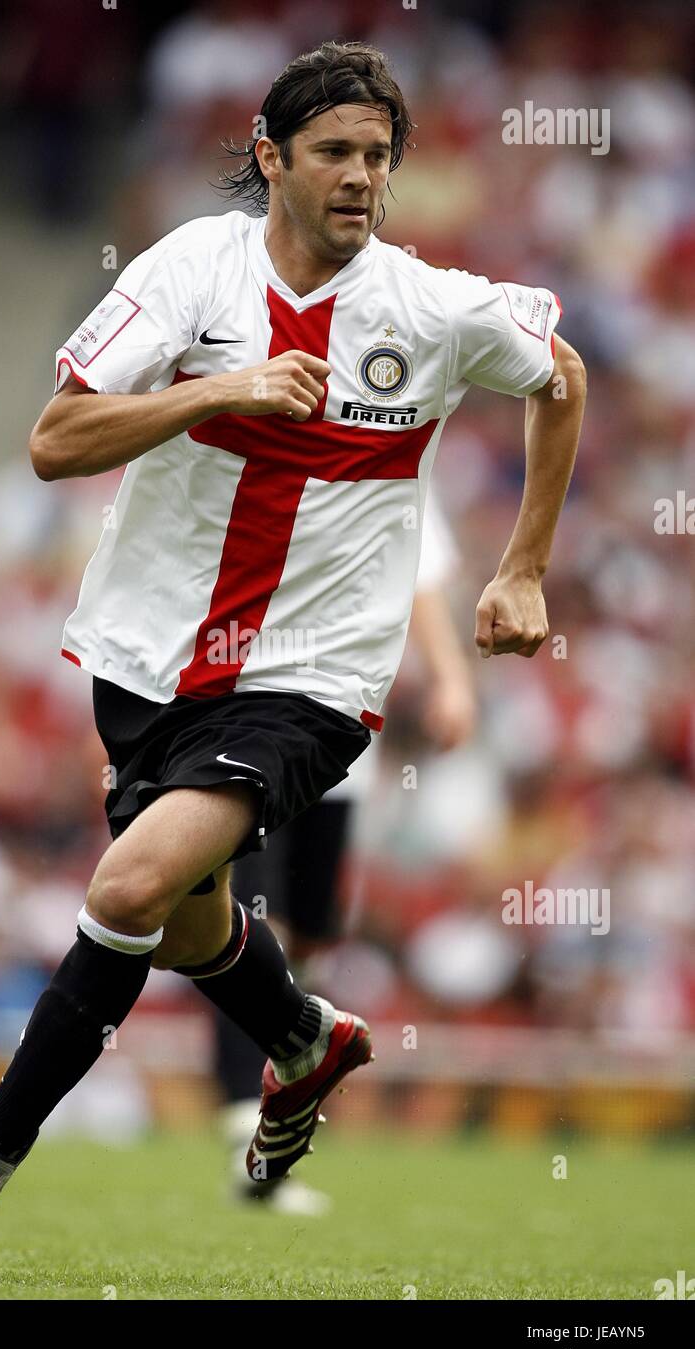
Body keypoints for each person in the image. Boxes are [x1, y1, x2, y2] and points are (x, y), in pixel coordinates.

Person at [0, 40, 585, 1264]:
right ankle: (305, 1040)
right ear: (269, 158)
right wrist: (221, 392)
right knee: (193, 919)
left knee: (128, 889)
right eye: (333, 152)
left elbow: (558, 376)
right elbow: (57, 441)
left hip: (312, 678)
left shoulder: (425, 306)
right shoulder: (187, 271)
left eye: (377, 155)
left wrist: (520, 563)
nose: (360, 176)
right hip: (148, 659)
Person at [218, 496, 478, 1214]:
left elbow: (418, 576)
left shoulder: (400, 459)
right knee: (247, 917)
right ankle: (247, 1112)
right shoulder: (279, 436)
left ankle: (272, 1100)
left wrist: (450, 680)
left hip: (340, 741)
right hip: (249, 718)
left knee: (307, 934)